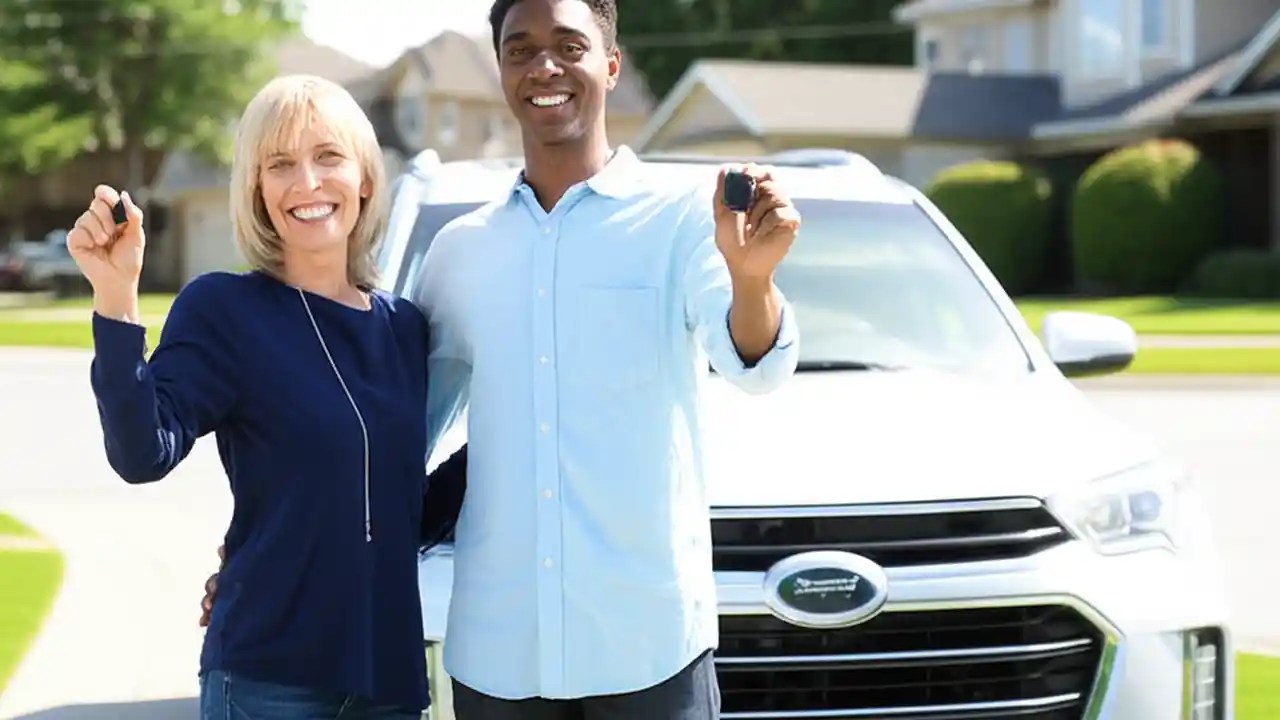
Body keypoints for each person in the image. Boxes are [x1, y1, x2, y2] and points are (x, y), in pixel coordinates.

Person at [414, 0, 802, 717]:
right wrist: (259, 549)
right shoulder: (460, 252)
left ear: (611, 66)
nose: (545, 66)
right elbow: (393, 436)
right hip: (501, 658)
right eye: (520, 49)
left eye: (569, 45)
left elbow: (755, 361)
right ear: (502, 70)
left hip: (648, 649)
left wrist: (753, 280)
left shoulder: (685, 219)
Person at [73, 74, 466, 720]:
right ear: (257, 189)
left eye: (328, 157)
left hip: (388, 685)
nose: (307, 182)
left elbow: (393, 514)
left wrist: (506, 442)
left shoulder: (404, 330)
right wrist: (116, 298)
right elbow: (142, 451)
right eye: (279, 164)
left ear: (366, 177)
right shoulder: (225, 310)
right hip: (268, 683)